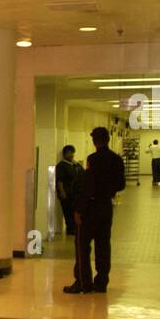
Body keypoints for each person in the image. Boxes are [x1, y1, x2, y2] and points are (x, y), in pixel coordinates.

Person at [65, 126, 125, 295]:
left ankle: (83, 283)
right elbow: (121, 184)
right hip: (106, 207)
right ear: (107, 139)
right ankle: (101, 283)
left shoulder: (93, 159)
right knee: (103, 245)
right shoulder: (116, 159)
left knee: (82, 246)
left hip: (91, 208)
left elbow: (88, 187)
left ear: (94, 141)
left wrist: (78, 210)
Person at [55, 145, 81, 236]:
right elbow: (59, 180)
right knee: (68, 211)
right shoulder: (61, 166)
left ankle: (75, 227)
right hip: (66, 193)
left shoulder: (75, 164)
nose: (71, 155)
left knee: (74, 210)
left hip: (75, 193)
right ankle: (70, 228)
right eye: (69, 153)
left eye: (72, 153)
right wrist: (62, 192)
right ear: (64, 154)